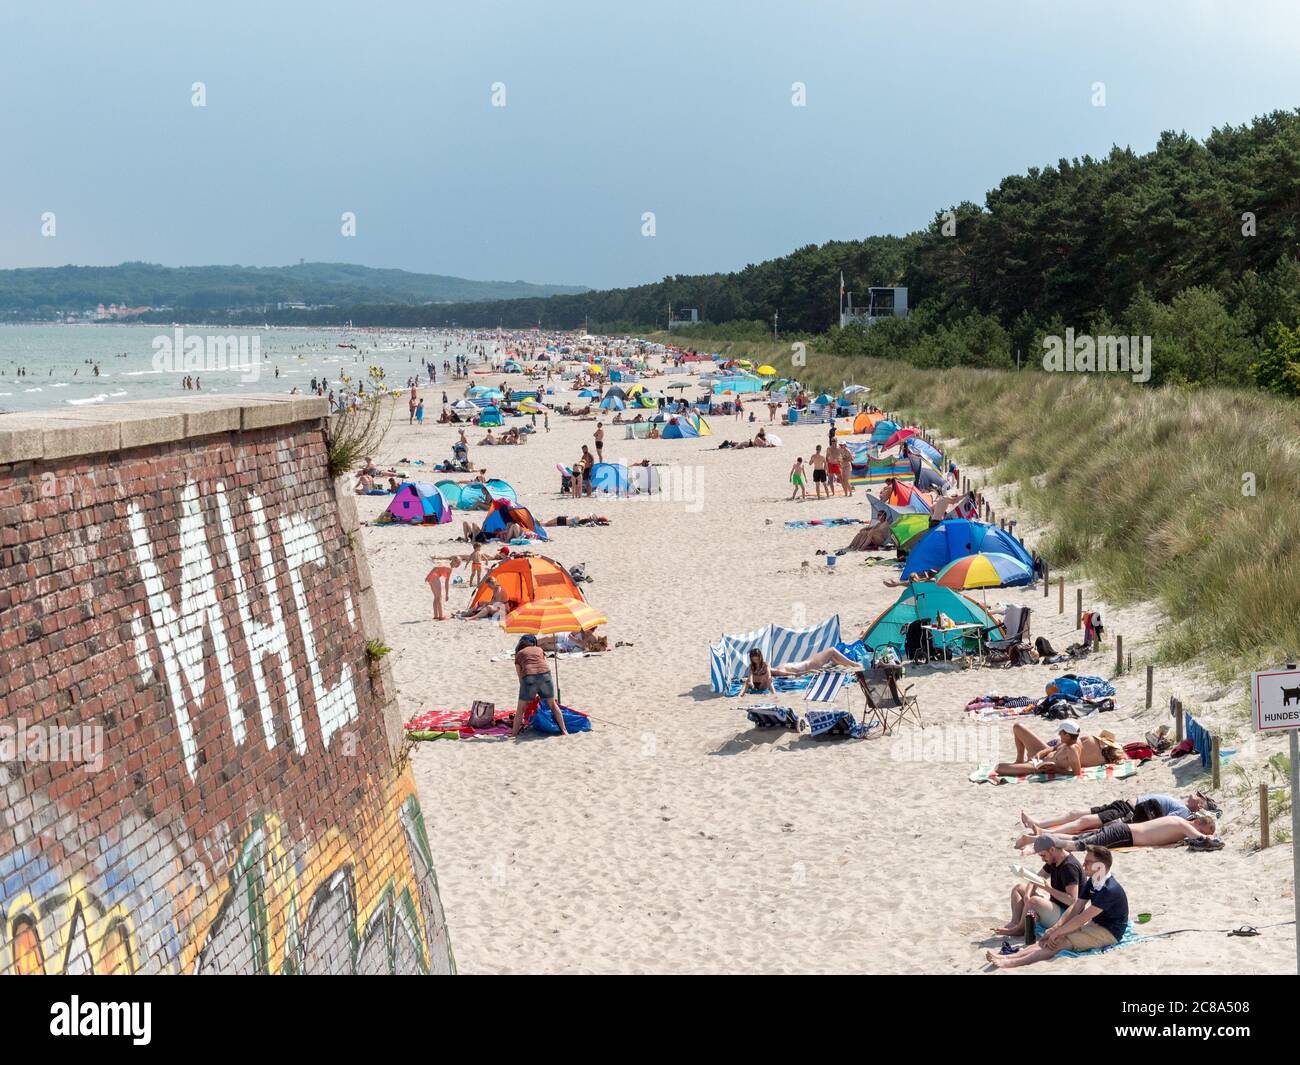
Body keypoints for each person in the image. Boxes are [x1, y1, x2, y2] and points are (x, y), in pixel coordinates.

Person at [985, 845, 1129, 968]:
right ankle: (1008, 957)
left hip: (1109, 932)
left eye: (1088, 862)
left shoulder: (1109, 890)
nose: (1084, 864)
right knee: (1048, 939)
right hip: (1095, 924)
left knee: (1058, 943)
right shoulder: (1093, 881)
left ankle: (1011, 964)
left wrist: (1058, 933)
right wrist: (1055, 928)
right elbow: (1075, 907)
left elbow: (1081, 918)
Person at [992, 835, 1084, 938]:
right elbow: (1035, 878)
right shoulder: (1054, 860)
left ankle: (1020, 930)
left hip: (1068, 916)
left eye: (1043, 855)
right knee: (1019, 888)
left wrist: (1047, 888)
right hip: (1055, 908)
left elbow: (1072, 901)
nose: (1042, 859)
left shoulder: (1069, 867)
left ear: (1052, 850)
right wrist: (1027, 894)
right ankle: (1015, 923)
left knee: (1034, 901)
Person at [1018, 793, 1211, 840]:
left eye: (1199, 795)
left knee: (1084, 823)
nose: (1195, 794)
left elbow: (1162, 823)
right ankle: (1038, 823)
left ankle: (1043, 832)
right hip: (1124, 804)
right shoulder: (1180, 802)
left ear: (1201, 805)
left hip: (1128, 812)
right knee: (1076, 814)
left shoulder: (1184, 814)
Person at [1027, 813, 1218, 853]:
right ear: (1197, 822)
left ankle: (1038, 837)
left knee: (1079, 838)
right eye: (1203, 829)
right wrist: (1208, 837)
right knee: (1079, 846)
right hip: (1124, 834)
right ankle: (1043, 841)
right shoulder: (1182, 824)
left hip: (1122, 831)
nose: (1200, 832)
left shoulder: (1177, 822)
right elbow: (1200, 840)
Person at [512, 635, 568, 737]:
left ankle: (514, 734)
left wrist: (527, 695)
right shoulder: (540, 650)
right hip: (545, 676)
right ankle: (564, 731)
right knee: (553, 705)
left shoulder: (519, 654)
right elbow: (544, 665)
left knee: (520, 709)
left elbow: (520, 677)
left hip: (529, 677)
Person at [771, 647, 863, 676]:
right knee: (831, 650)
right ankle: (853, 664)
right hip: (810, 665)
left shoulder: (778, 668)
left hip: (808, 663)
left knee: (830, 656)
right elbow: (795, 674)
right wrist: (809, 671)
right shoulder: (779, 671)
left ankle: (847, 664)